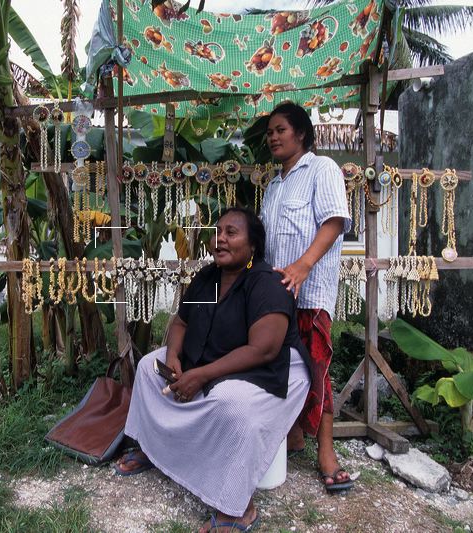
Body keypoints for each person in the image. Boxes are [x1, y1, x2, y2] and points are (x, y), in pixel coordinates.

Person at [116, 208, 311, 532]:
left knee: (228, 403)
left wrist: (203, 375)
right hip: (208, 358)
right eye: (217, 232)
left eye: (231, 233)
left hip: (268, 370)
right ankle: (152, 448)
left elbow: (264, 349)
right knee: (152, 368)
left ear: (252, 245)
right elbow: (181, 322)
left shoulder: (267, 283)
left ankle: (237, 509)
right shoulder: (207, 278)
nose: (220, 239)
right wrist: (175, 357)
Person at [261, 101, 354, 493]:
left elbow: (334, 221)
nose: (273, 137)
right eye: (269, 133)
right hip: (276, 295)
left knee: (317, 369)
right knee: (279, 366)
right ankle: (294, 436)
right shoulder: (273, 184)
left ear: (300, 133)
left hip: (310, 293)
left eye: (280, 129)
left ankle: (327, 453)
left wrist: (301, 266)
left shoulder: (322, 169)